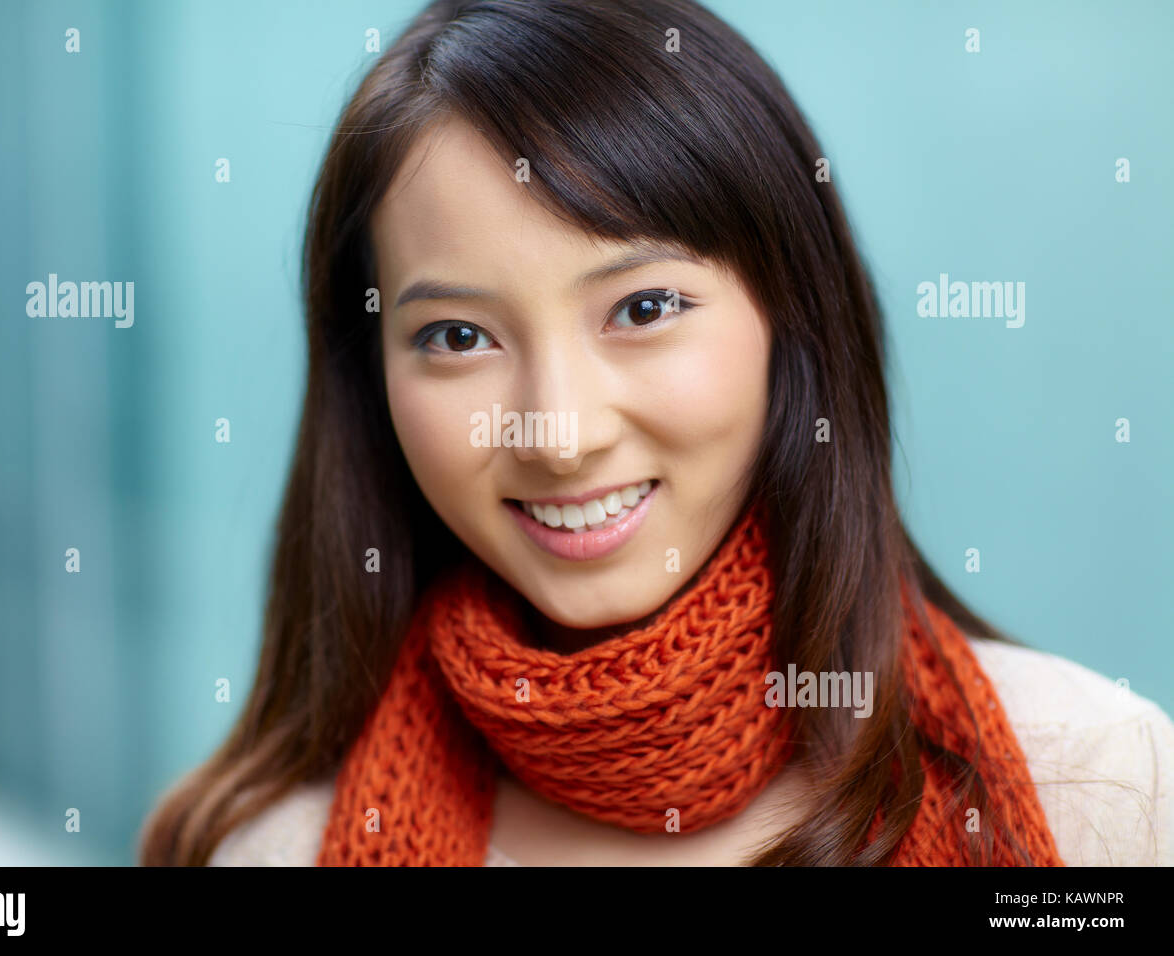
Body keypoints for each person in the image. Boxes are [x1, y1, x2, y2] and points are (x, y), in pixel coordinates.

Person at [139, 0, 1173, 866]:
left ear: (791, 317)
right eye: (457, 335)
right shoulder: (262, 842)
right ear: (371, 375)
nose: (558, 432)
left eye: (641, 309)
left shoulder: (1094, 783)